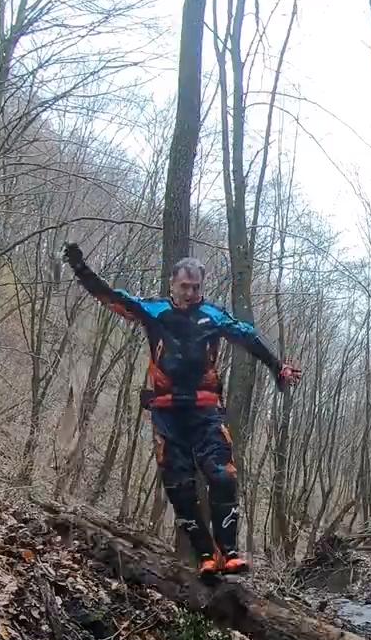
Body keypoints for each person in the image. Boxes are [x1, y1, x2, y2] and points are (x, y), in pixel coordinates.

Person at [63, 243, 302, 574]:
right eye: (184, 286)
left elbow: (248, 338)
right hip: (167, 412)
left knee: (222, 477)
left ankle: (228, 552)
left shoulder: (214, 316)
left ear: (202, 287)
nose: (190, 293)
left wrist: (278, 368)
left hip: (206, 412)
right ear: (172, 284)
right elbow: (113, 298)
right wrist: (82, 270)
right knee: (179, 485)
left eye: (196, 287)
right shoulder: (155, 311)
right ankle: (205, 556)